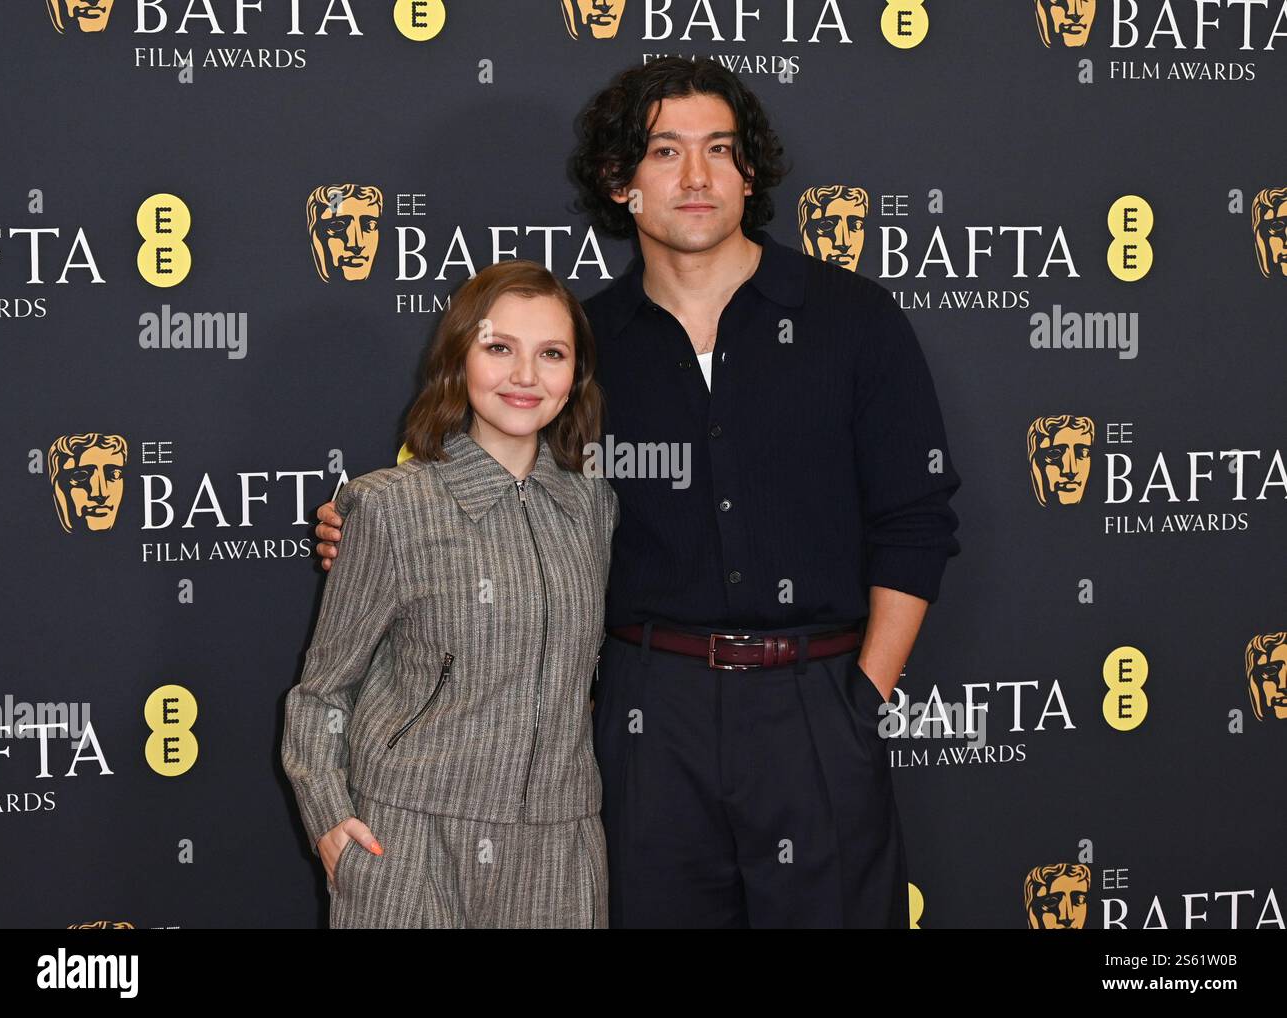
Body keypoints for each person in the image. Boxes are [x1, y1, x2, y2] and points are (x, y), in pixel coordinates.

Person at [315, 57, 962, 928]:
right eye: (665, 151)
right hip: (646, 716)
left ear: (748, 174)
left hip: (816, 705)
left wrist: (860, 700)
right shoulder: (577, 350)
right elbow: (474, 485)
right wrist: (361, 523)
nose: (696, 177)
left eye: (719, 151)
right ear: (622, 182)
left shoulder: (853, 319)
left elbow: (915, 521)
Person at [282, 259, 618, 928]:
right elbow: (323, 690)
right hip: (411, 844)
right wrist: (329, 821)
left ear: (574, 375)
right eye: (499, 348)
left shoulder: (592, 507)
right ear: (459, 358)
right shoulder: (388, 508)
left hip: (560, 846)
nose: (525, 376)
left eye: (551, 354)